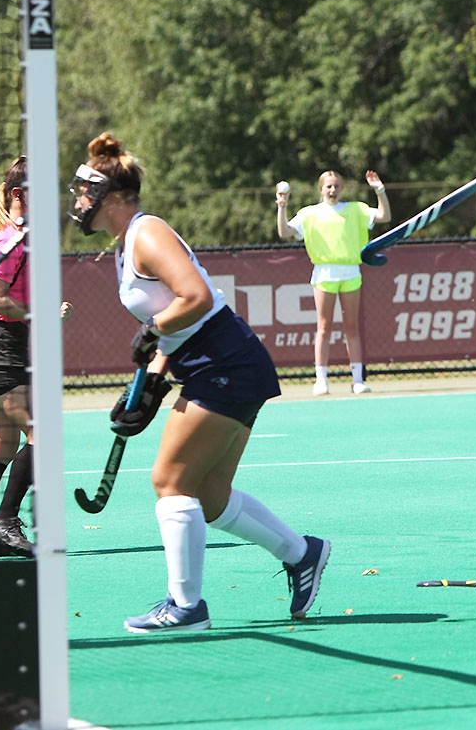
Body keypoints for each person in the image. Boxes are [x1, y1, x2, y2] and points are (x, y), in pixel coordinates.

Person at [70, 132, 330, 632]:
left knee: (170, 481)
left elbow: (197, 299)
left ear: (116, 198)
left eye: (87, 192)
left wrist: (153, 330)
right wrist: (151, 383)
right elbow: (175, 321)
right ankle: (302, 554)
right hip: (220, 363)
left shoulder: (147, 235)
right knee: (209, 493)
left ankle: (186, 607)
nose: (80, 202)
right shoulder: (127, 245)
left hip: (225, 362)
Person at [0, 158, 72, 561]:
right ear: (19, 195)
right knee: (44, 432)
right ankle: (4, 520)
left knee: (2, 443)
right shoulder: (12, 239)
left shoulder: (14, 237)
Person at [275, 170, 391, 396]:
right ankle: (321, 381)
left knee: (351, 327)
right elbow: (284, 232)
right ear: (321, 189)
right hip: (324, 274)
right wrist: (282, 205)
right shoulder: (309, 214)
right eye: (328, 186)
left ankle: (357, 380)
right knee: (324, 327)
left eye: (336, 186)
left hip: (351, 273)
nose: (333, 190)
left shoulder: (356, 209)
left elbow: (384, 216)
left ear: (341, 188)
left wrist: (380, 190)